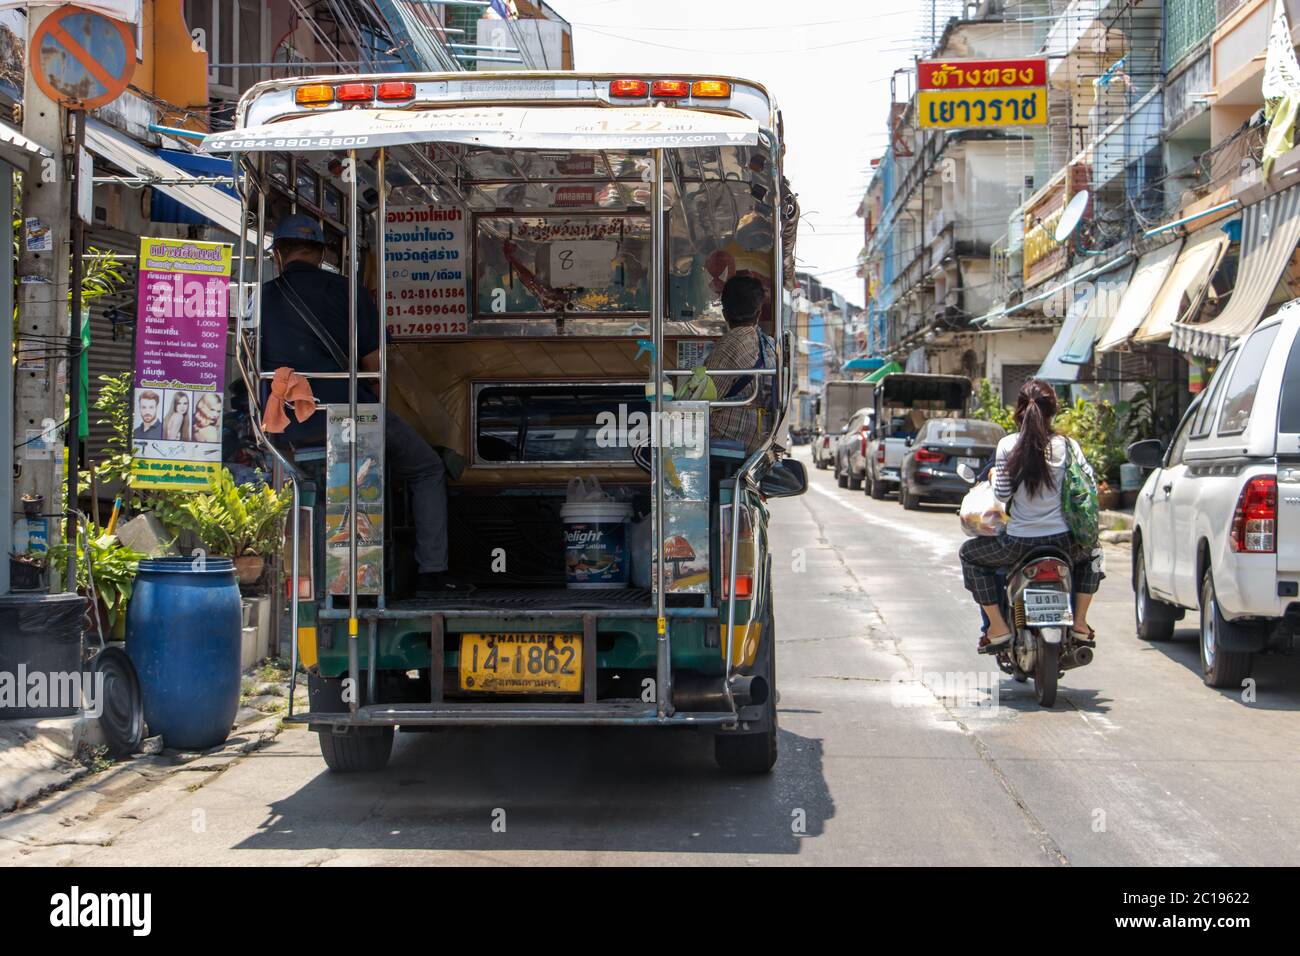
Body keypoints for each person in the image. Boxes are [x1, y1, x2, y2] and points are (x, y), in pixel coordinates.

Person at [259, 214, 467, 596]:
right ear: (322, 253)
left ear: (278, 254)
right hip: (352, 421)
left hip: (291, 428)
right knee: (427, 468)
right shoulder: (347, 290)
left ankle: (307, 587)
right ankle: (432, 573)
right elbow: (374, 368)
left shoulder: (264, 298)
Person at [959, 378, 1102, 649]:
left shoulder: (1007, 445)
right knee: (1094, 553)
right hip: (1066, 543)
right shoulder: (1069, 446)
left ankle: (998, 627)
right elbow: (1090, 486)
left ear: (1019, 410)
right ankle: (1080, 622)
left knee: (969, 555)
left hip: (1017, 545)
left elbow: (1001, 495)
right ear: (1053, 410)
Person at [704, 274, 776, 455]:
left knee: (654, 441)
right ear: (759, 314)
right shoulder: (768, 344)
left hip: (729, 434)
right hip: (758, 435)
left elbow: (703, 397)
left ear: (724, 313)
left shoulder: (729, 344)